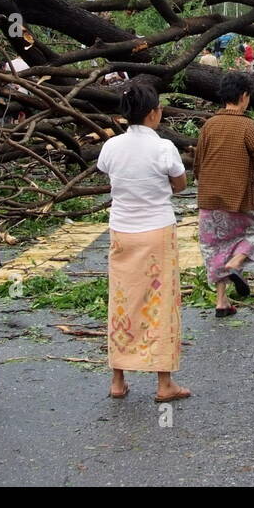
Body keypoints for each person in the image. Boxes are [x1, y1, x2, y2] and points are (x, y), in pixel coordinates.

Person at [96, 82, 191, 402]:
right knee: (160, 303)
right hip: (156, 232)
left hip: (122, 230)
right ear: (153, 114)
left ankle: (118, 379)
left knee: (122, 301)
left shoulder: (111, 147)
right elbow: (180, 182)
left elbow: (108, 174)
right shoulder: (164, 148)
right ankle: (164, 383)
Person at [194, 72, 254, 317]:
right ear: (244, 96)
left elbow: (197, 162)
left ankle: (221, 301)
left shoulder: (209, 125)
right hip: (238, 196)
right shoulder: (247, 125)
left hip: (209, 197)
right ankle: (236, 263)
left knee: (214, 246)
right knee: (250, 233)